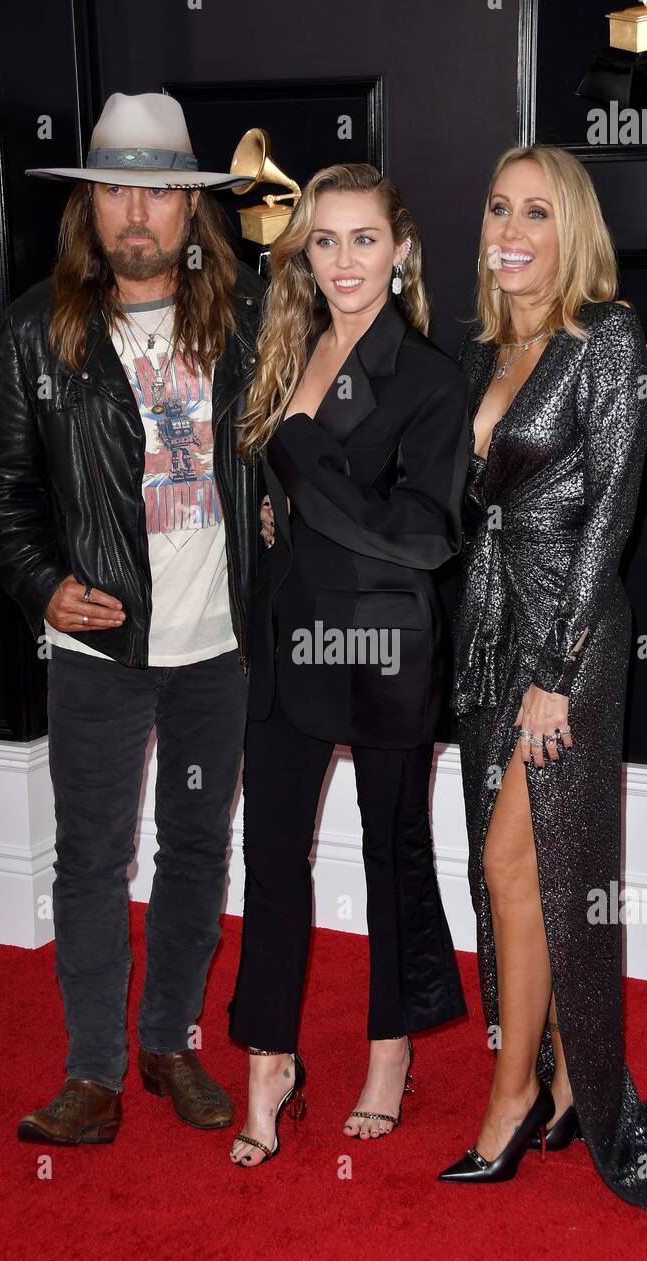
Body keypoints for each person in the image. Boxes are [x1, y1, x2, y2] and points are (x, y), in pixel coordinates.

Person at [438, 144, 647, 1208]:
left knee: (512, 864)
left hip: (565, 639)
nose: (509, 229)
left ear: (568, 230)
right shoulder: (489, 348)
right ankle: (559, 1085)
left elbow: (607, 521)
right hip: (490, 628)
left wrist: (553, 668)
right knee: (510, 876)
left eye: (533, 211)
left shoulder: (607, 339)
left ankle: (512, 1100)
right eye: (498, 207)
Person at [0, 92, 264, 1144]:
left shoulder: (250, 319)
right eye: (114, 191)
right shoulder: (33, 331)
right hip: (96, 644)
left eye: (158, 193)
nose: (136, 213)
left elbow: (301, 457)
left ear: (191, 214)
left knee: (195, 845)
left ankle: (168, 1041)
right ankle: (92, 1070)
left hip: (219, 646)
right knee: (90, 858)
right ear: (86, 207)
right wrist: (43, 584)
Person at [225, 163, 470, 1166]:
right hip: (284, 646)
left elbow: (420, 536)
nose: (342, 261)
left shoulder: (429, 379)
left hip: (380, 643)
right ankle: (267, 1059)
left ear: (399, 249)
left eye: (362, 238)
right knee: (271, 855)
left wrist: (298, 454)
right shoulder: (288, 347)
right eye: (322, 241)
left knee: (390, 853)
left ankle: (388, 1050)